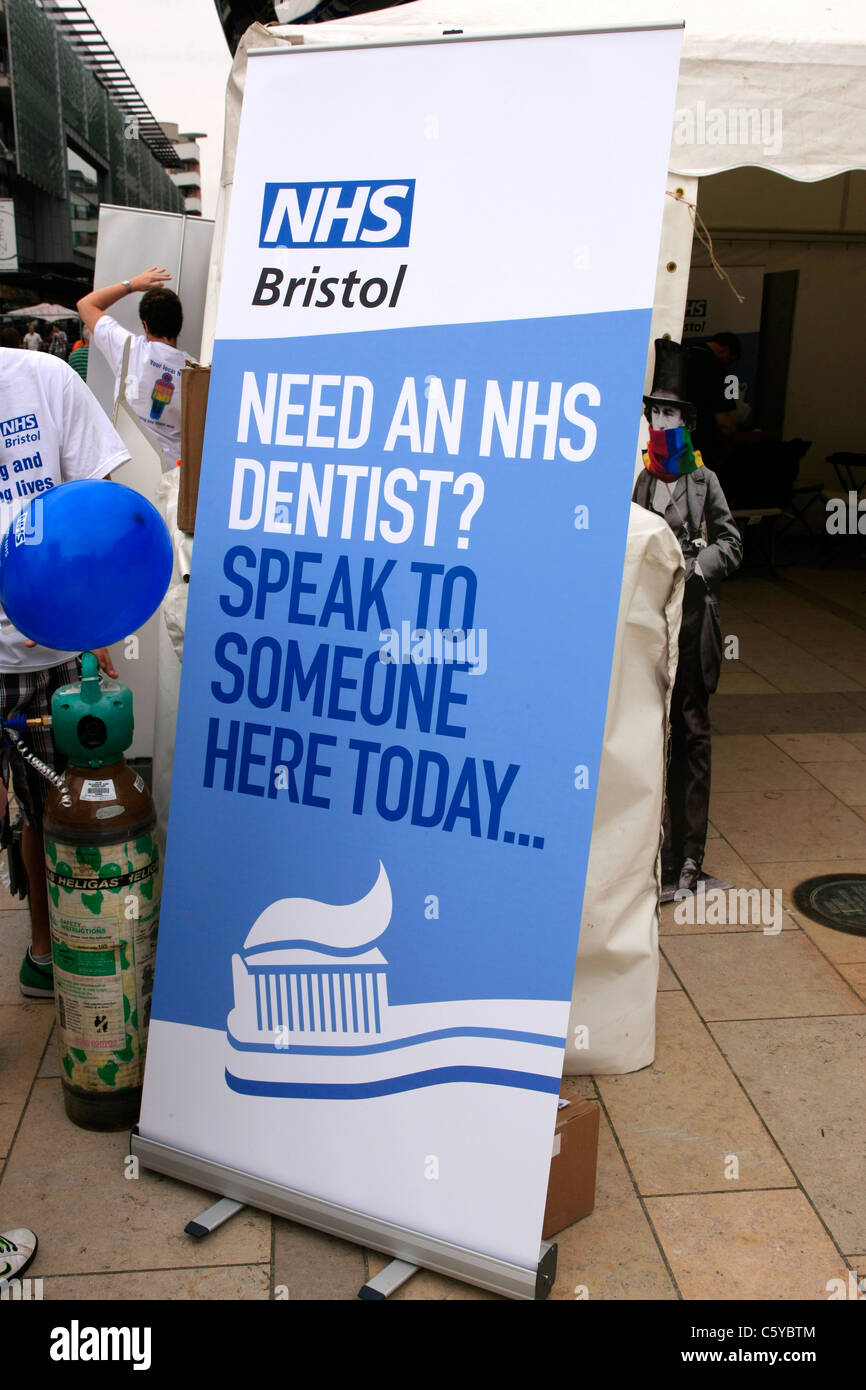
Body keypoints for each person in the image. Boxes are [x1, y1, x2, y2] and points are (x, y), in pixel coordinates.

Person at [0, 347, 129, 1000]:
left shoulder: (43, 380)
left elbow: (96, 510)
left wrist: (95, 622)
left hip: (47, 655)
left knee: (50, 808)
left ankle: (49, 949)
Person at [633, 338, 742, 894]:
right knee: (650, 736)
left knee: (693, 736)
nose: (662, 419)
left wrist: (703, 562)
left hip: (695, 623)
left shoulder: (704, 479)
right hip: (651, 627)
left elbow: (732, 541)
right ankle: (646, 856)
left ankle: (690, 861)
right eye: (655, 411)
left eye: (671, 411)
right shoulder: (643, 481)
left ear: (687, 420)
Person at [77, 267, 190, 469]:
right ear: (179, 325)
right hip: (174, 472)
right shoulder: (193, 370)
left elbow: (86, 304)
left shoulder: (128, 348)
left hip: (129, 467)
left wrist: (133, 285)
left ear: (146, 326)